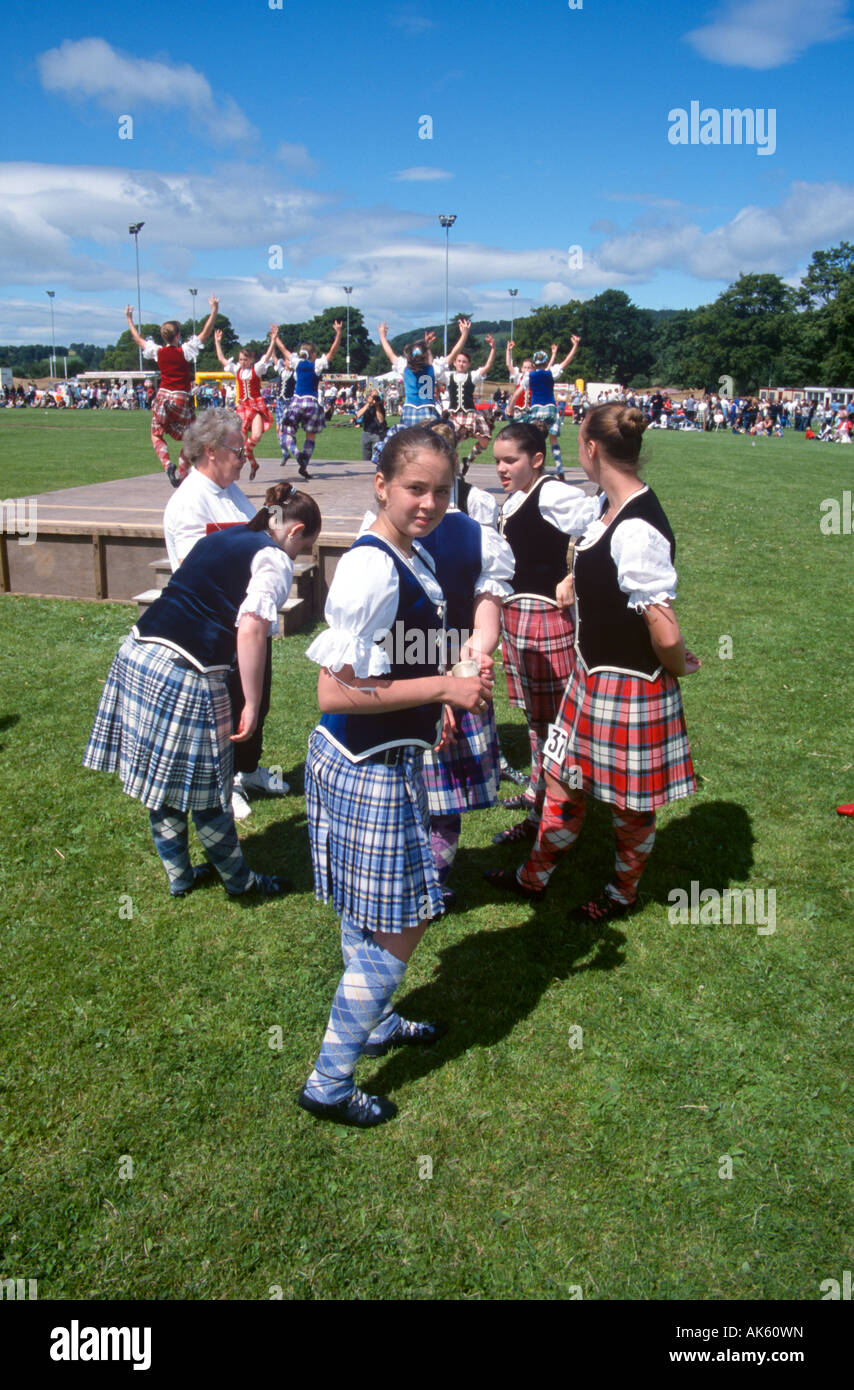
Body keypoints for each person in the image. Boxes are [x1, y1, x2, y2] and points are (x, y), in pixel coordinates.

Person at [298, 425, 493, 1128]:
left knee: (369, 911)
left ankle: (374, 1024)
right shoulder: (372, 566)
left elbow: (391, 662)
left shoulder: (405, 550)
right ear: (382, 485)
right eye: (416, 488)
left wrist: (430, 701)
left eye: (441, 491)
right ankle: (327, 1082)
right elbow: (334, 691)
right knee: (403, 922)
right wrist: (444, 687)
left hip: (379, 757)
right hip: (363, 765)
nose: (431, 502)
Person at [487, 403, 699, 922]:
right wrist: (571, 582)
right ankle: (532, 877)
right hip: (591, 678)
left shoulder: (635, 526)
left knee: (629, 807)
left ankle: (622, 893)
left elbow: (663, 627)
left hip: (629, 684)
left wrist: (678, 661)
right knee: (562, 781)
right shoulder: (610, 506)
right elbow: (597, 567)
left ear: (591, 449)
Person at [83, 481, 321, 898]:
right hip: (187, 671)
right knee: (211, 790)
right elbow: (251, 629)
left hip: (138, 652)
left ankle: (180, 875)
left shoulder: (229, 534)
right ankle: (240, 882)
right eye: (305, 545)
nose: (299, 556)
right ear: (296, 530)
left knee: (165, 781)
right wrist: (251, 701)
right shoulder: (274, 559)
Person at [162, 409, 295, 819]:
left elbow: (252, 536)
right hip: (217, 627)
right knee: (226, 709)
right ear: (210, 451)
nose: (244, 457)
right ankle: (225, 782)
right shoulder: (189, 503)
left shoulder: (230, 491)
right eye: (238, 449)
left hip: (248, 619)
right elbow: (196, 572)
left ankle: (248, 768)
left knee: (258, 698)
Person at [491, 421, 600, 845]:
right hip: (518, 619)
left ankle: (559, 808)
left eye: (510, 460)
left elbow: (602, 517)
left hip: (545, 620)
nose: (501, 468)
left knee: (555, 720)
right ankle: (541, 794)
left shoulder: (551, 493)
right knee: (535, 717)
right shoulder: (517, 497)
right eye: (497, 460)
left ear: (536, 459)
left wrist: (572, 574)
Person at [125, 296, 219, 487]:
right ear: (177, 336)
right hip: (180, 398)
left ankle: (167, 464)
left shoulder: (158, 351)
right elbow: (205, 333)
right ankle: (182, 473)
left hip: (162, 398)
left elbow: (138, 339)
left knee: (156, 435)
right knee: (191, 437)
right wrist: (214, 311)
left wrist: (129, 319)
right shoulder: (184, 351)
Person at [276, 321, 343, 479]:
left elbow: (284, 351)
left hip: (297, 401)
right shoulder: (317, 364)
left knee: (286, 431)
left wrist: (276, 337)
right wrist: (338, 334)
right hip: (312, 403)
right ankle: (304, 464)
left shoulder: (296, 362)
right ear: (313, 354)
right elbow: (332, 353)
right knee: (310, 436)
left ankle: (295, 452)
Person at [213, 325, 277, 481]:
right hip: (242, 407)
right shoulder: (237, 370)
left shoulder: (257, 369)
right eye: (240, 359)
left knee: (255, 436)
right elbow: (222, 359)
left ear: (251, 359)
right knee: (240, 442)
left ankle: (247, 456)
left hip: (255, 406)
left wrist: (273, 340)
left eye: (245, 359)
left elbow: (267, 357)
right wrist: (217, 342)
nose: (242, 362)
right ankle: (248, 464)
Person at [444, 323, 497, 474]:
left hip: (470, 414)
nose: (461, 363)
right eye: (459, 361)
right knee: (450, 444)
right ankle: (453, 472)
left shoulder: (472, 376)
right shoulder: (449, 377)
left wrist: (492, 349)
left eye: (464, 362)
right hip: (454, 415)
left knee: (485, 440)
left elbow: (487, 367)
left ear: (469, 364)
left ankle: (469, 458)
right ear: (454, 362)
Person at [354, 390, 388, 460]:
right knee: (365, 457)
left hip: (377, 434)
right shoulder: (366, 405)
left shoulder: (380, 407)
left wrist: (377, 406)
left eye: (376, 396)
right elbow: (358, 415)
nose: (374, 398)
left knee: (376, 458)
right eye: (373, 396)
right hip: (366, 433)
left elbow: (381, 420)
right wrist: (368, 403)